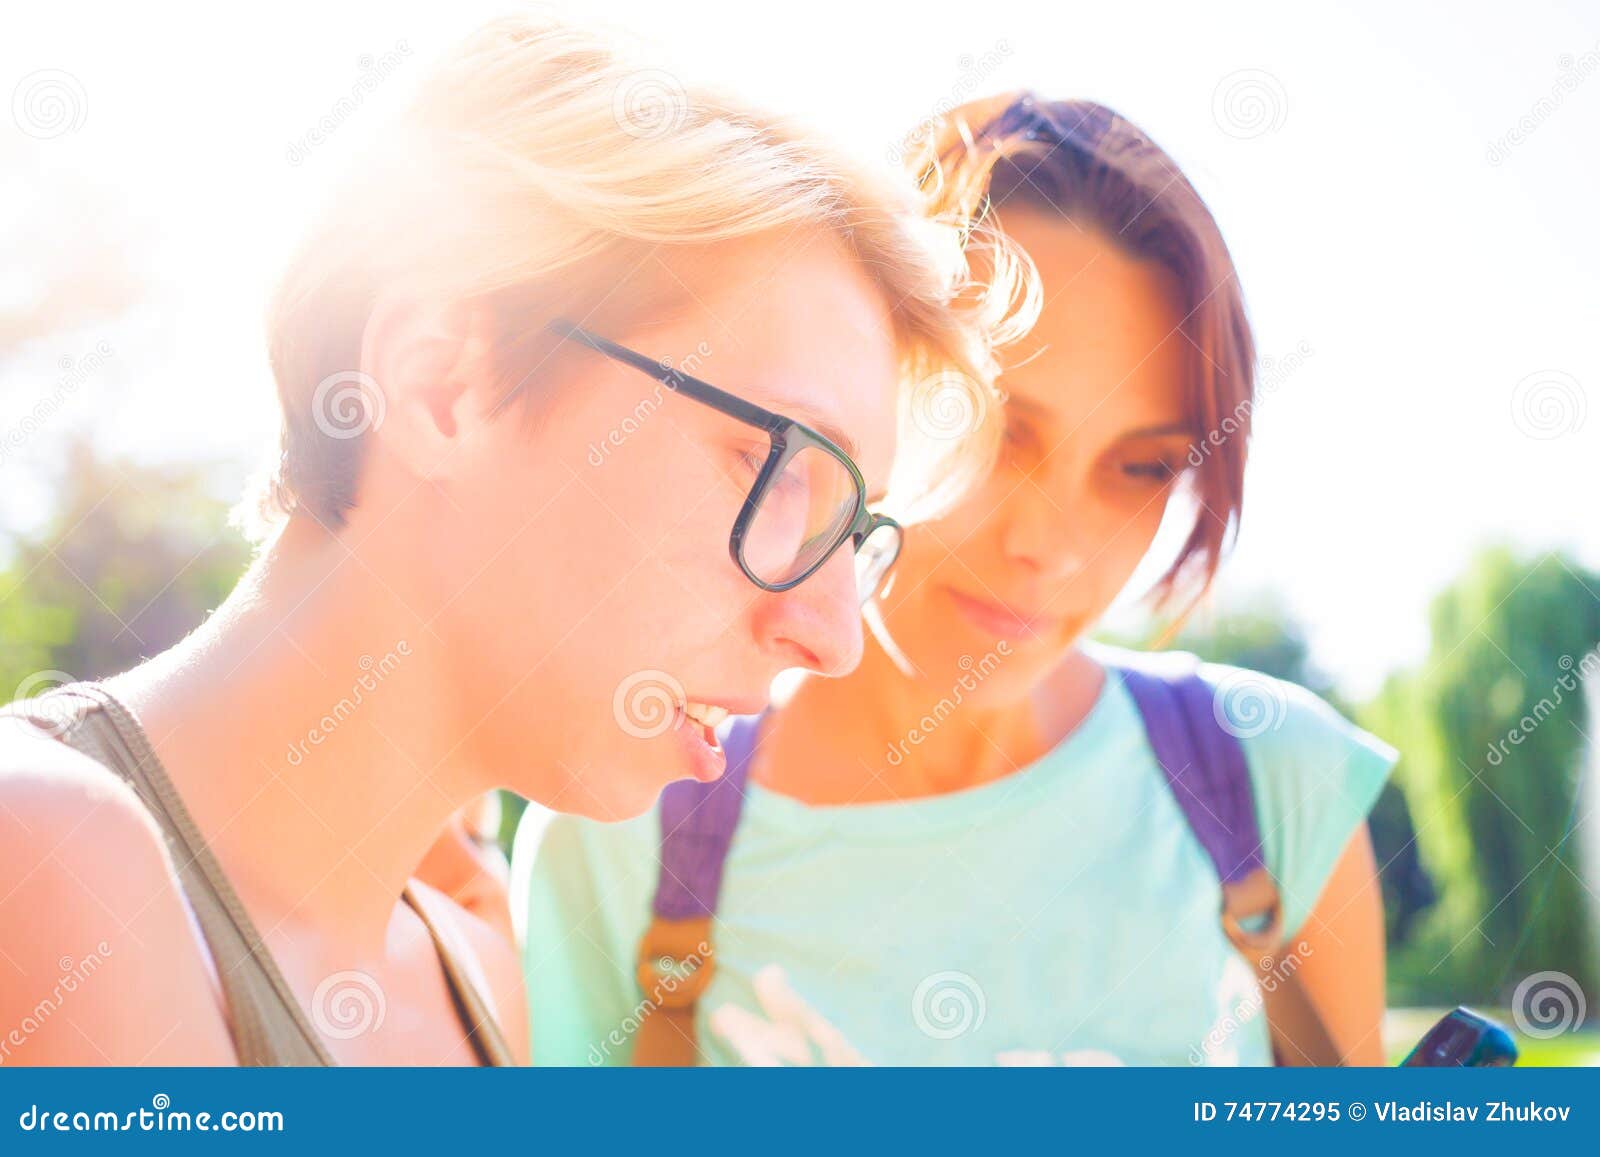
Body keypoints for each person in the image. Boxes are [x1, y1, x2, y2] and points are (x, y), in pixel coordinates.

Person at [0, 18, 1020, 1066]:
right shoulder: (44, 857)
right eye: (778, 468)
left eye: (856, 530)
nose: (833, 634)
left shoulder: (473, 978)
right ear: (445, 384)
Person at [516, 93, 1396, 1067]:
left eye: (1139, 467)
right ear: (867, 376)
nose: (1051, 548)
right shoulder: (625, 825)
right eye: (998, 431)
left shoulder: (1278, 784)